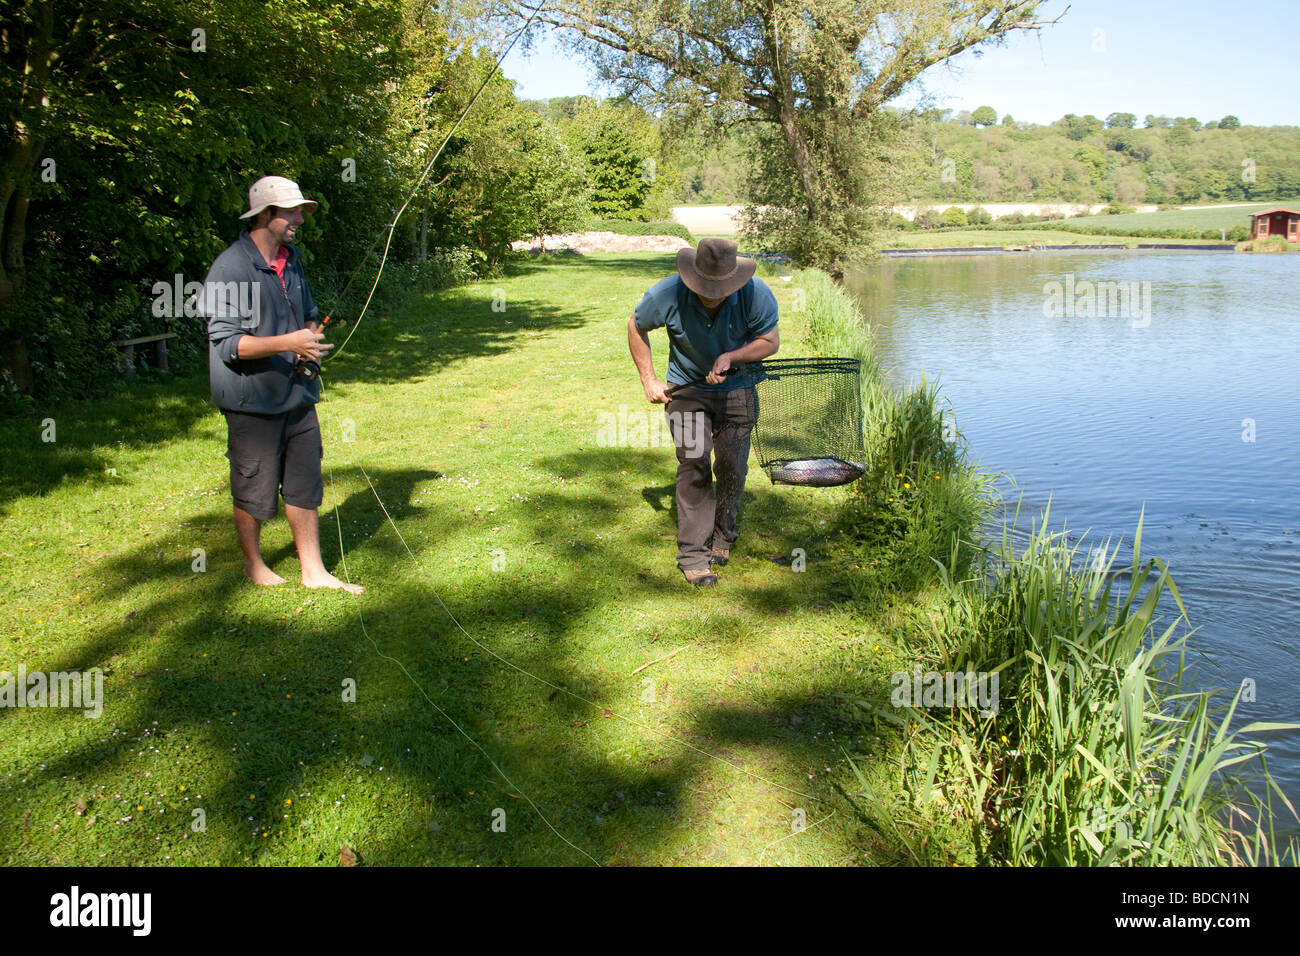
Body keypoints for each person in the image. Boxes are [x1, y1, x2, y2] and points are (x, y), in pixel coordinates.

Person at [202, 175, 362, 593]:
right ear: (265, 214)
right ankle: (253, 564)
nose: (299, 219)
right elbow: (227, 343)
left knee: (305, 482)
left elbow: (307, 312)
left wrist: (309, 336)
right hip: (251, 398)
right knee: (253, 484)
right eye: (291, 211)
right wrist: (289, 343)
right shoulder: (230, 268)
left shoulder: (291, 261)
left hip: (296, 394)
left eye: (299, 211)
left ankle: (314, 570)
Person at [627, 238, 780, 587]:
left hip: (738, 388)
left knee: (732, 466)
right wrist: (649, 380)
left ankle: (724, 537)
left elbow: (770, 342)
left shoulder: (756, 294)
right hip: (687, 389)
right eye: (704, 287)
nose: (711, 293)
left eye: (720, 288)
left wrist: (732, 357)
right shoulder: (665, 293)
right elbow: (635, 326)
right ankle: (694, 555)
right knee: (694, 462)